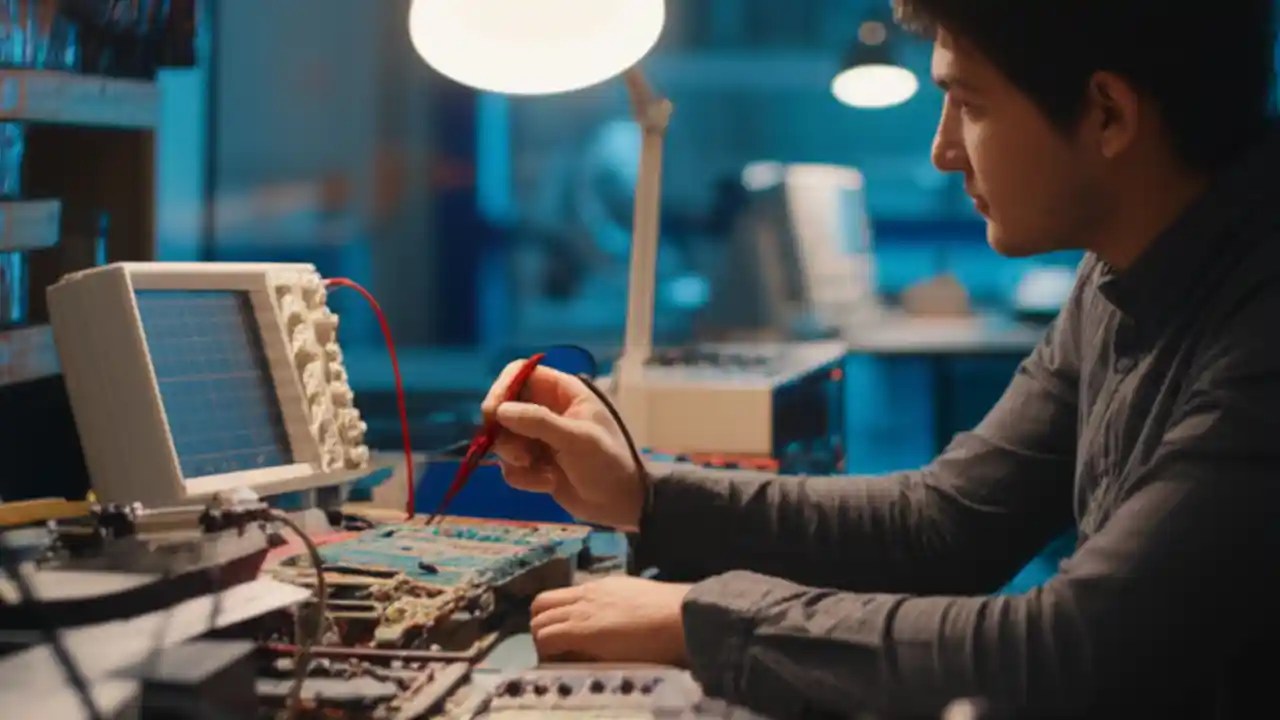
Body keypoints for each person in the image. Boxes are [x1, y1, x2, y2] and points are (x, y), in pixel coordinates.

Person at [480, 1, 1280, 717]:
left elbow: (1076, 649)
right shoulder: (1120, 269)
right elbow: (946, 524)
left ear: (1107, 113)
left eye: (967, 102)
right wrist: (644, 492)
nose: (942, 150)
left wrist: (705, 621)